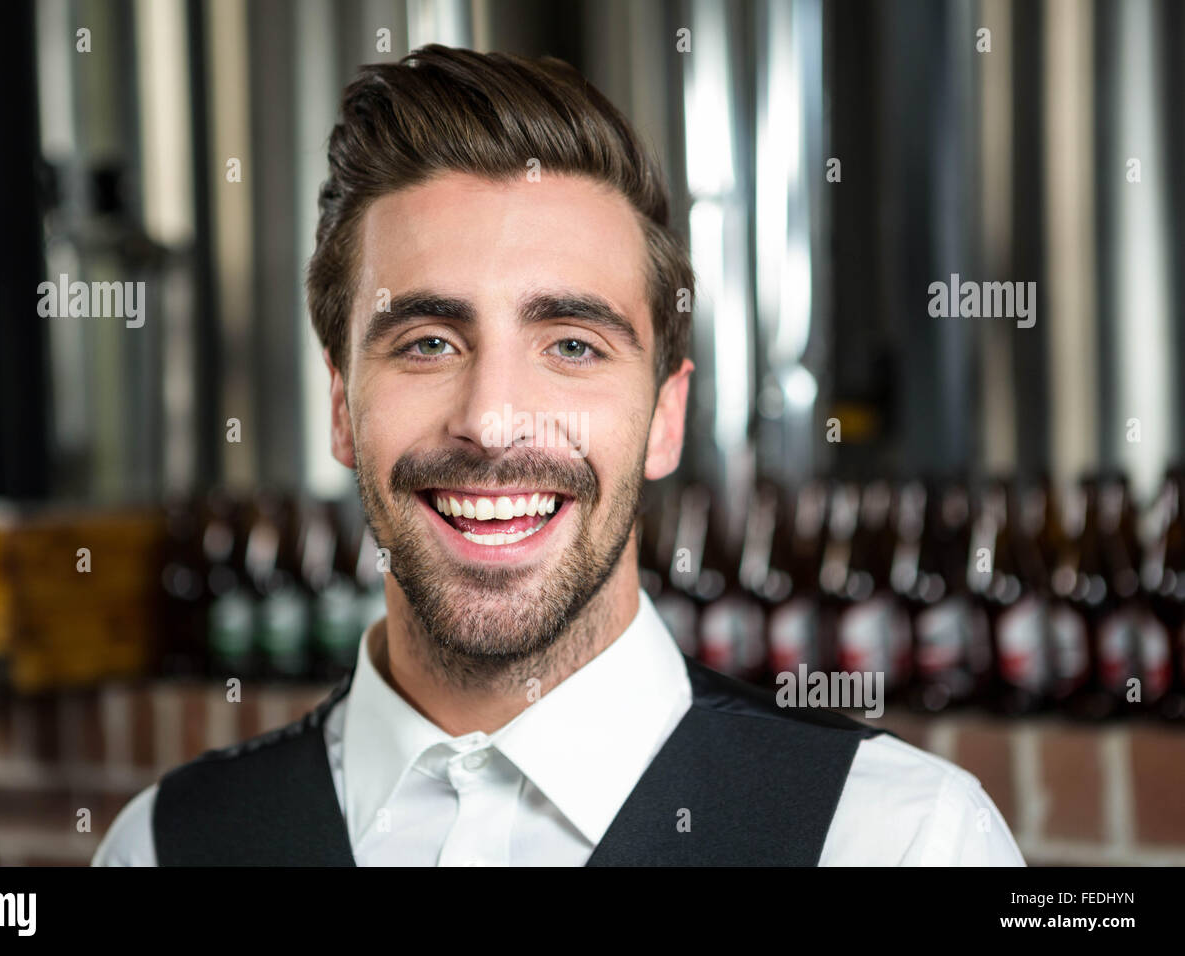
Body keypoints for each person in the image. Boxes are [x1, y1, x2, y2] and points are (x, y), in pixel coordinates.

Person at [94, 44, 1024, 866]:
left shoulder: (897, 841)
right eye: (427, 342)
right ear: (342, 406)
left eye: (572, 344)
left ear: (665, 417)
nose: (493, 422)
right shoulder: (166, 846)